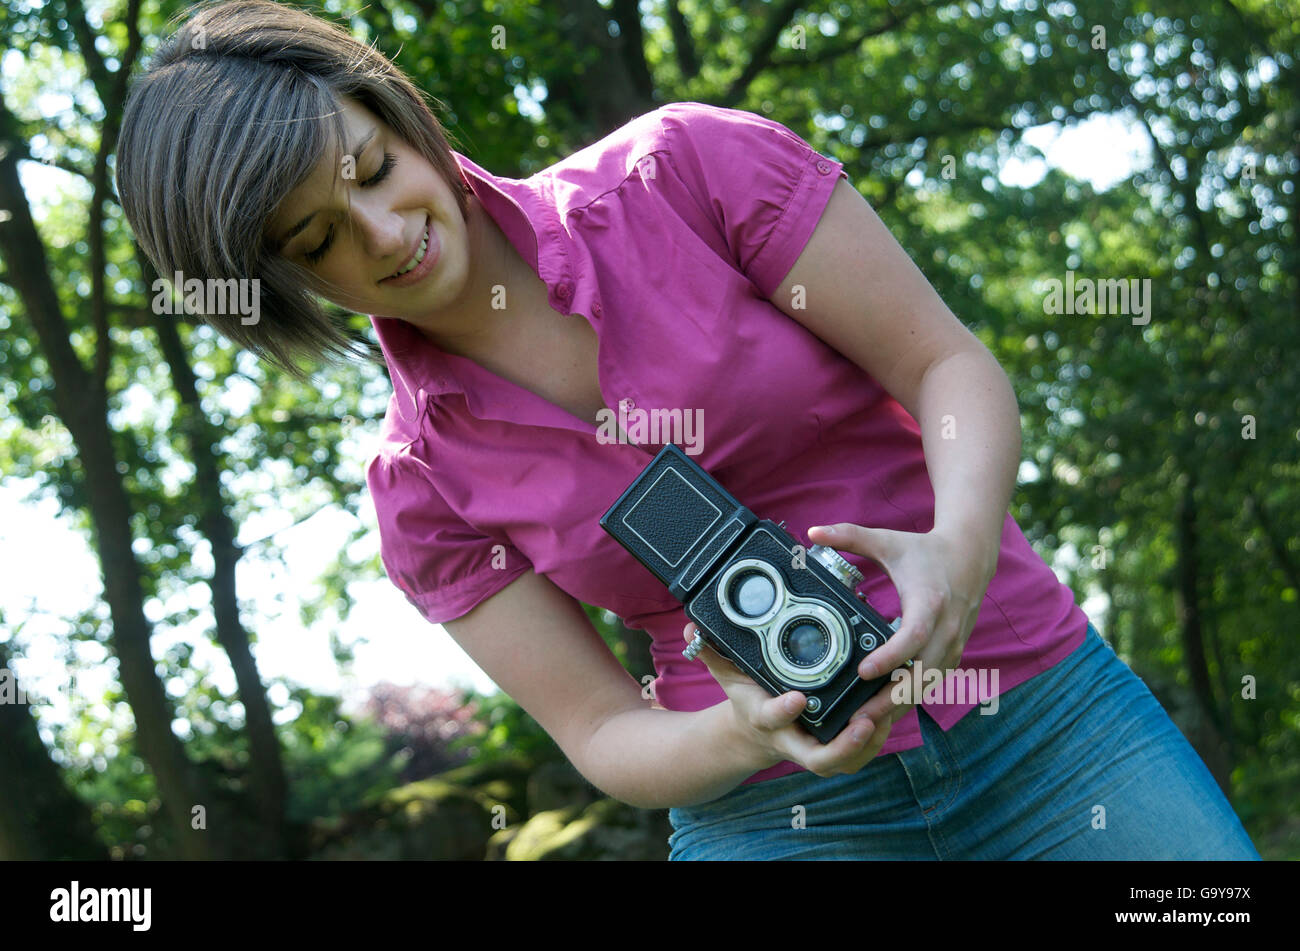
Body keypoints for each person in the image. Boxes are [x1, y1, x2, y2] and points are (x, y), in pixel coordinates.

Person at [115, 0, 1261, 860]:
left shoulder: (687, 174)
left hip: (1041, 712)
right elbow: (604, 733)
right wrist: (750, 737)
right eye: (317, 242)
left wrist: (957, 555)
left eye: (372, 168)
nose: (382, 233)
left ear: (397, 113)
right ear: (278, 288)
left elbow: (944, 365)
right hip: (778, 819)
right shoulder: (421, 490)